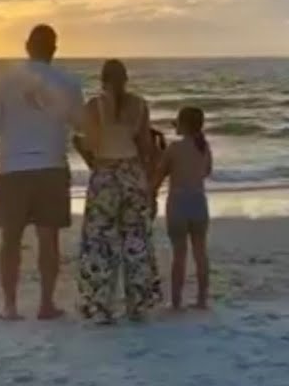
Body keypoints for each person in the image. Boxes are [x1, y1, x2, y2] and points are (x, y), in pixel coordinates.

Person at [0, 24, 84, 322]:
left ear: (26, 46)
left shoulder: (6, 80)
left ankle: (9, 305)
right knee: (49, 239)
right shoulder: (68, 82)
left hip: (13, 169)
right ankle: (46, 304)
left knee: (10, 240)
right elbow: (81, 126)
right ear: (54, 49)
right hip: (52, 167)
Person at [75, 59, 162, 323]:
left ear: (102, 79)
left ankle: (101, 307)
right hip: (132, 173)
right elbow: (146, 146)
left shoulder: (94, 106)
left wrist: (79, 146)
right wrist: (150, 184)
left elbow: (92, 143)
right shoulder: (139, 105)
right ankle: (138, 305)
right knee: (136, 239)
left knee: (99, 242)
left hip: (105, 175)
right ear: (126, 78)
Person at [153, 106, 212, 310]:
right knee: (200, 252)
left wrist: (150, 194)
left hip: (178, 202)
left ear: (183, 125)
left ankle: (176, 302)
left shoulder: (174, 148)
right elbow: (206, 172)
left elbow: (160, 174)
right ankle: (202, 299)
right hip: (198, 201)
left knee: (179, 254)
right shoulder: (204, 147)